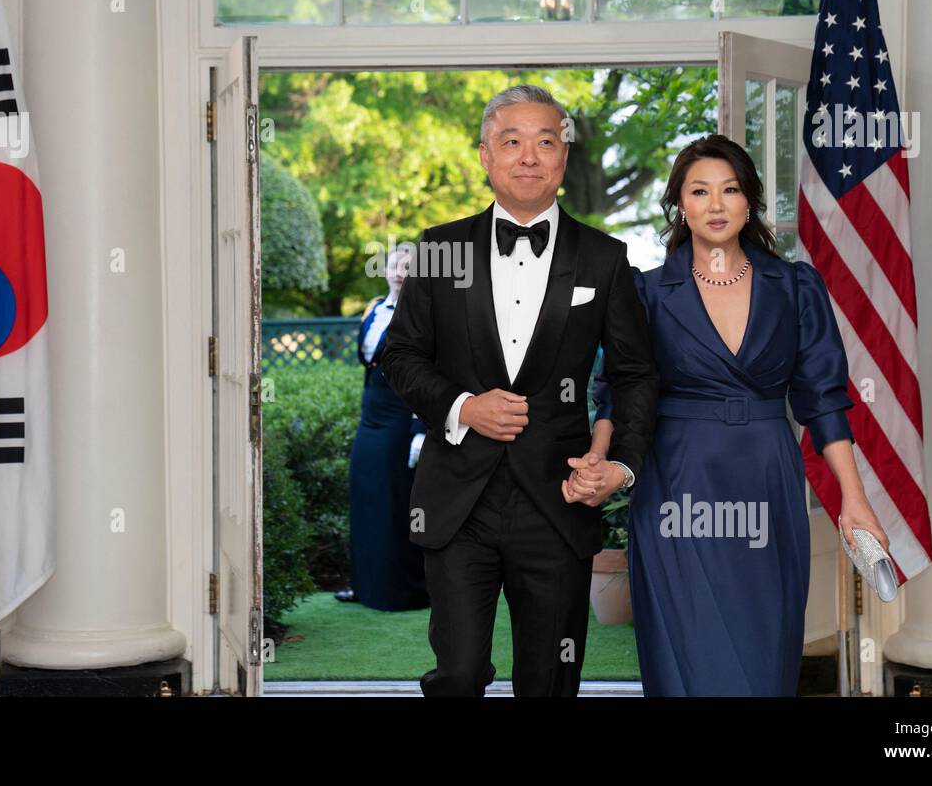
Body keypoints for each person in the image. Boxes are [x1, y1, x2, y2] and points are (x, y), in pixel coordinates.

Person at [379, 84, 659, 697]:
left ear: (563, 156)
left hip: (559, 500)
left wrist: (622, 465)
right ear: (485, 155)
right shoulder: (438, 248)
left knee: (551, 678)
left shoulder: (606, 259)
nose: (528, 156)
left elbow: (635, 374)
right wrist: (463, 407)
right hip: (457, 501)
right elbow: (396, 356)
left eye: (545, 141)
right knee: (456, 674)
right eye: (511, 141)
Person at [589, 134, 889, 696]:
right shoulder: (646, 293)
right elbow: (617, 393)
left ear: (749, 200)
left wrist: (854, 498)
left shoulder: (796, 287)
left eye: (730, 190)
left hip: (766, 477)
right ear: (681, 203)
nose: (717, 204)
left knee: (763, 642)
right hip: (678, 482)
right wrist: (600, 461)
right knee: (687, 643)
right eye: (700, 191)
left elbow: (823, 399)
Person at [337, 248, 430, 611]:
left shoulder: (424, 317)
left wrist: (421, 430)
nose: (399, 273)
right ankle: (363, 585)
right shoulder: (374, 308)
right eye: (394, 266)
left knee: (395, 504)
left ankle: (401, 591)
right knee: (365, 498)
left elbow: (427, 379)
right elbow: (367, 365)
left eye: (408, 268)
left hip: (400, 418)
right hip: (370, 417)